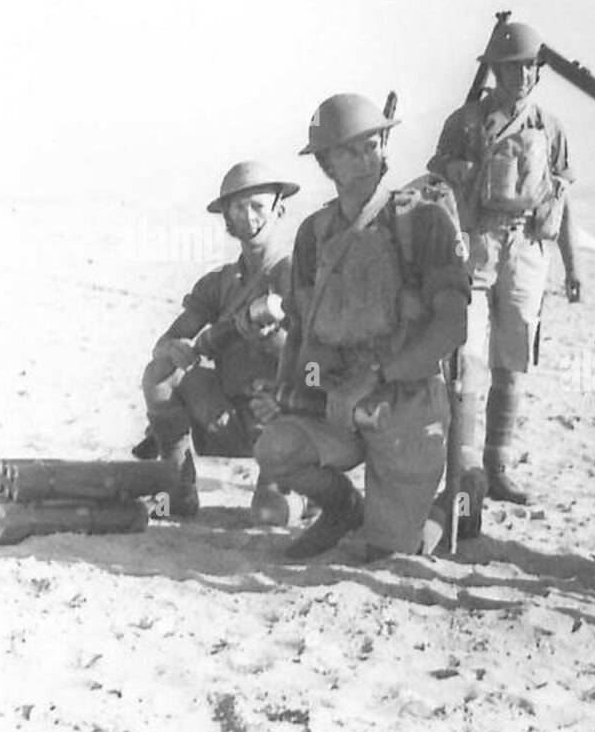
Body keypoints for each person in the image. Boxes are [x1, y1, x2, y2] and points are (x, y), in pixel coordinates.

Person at [251, 93, 470, 561]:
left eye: (374, 143)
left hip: (405, 400)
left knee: (390, 554)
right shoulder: (314, 234)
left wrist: (375, 375)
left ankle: (452, 501)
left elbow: (451, 328)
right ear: (327, 163)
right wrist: (286, 392)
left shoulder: (424, 219)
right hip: (336, 397)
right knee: (276, 447)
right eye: (352, 149)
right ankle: (344, 509)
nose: (369, 155)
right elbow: (301, 327)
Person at [428, 21, 582, 532]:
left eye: (532, 66)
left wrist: (572, 266)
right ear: (495, 69)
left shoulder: (549, 125)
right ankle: (464, 469)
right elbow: (438, 187)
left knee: (512, 360)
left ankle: (497, 465)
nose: (524, 75)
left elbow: (561, 196)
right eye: (514, 66)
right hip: (475, 245)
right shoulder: (466, 123)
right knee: (465, 363)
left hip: (528, 247)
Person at [136, 160, 299, 524]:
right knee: (160, 373)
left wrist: (278, 353)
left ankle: (309, 497)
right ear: (227, 219)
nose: (249, 216)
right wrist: (173, 348)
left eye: (258, 205)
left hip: (285, 417)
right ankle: (178, 485)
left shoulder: (301, 277)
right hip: (227, 416)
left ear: (279, 210)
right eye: (238, 208)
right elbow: (172, 338)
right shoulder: (219, 283)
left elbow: (322, 363)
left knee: (270, 515)